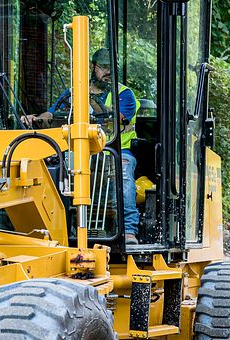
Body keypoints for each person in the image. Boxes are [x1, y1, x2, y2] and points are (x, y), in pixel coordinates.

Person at [23, 48, 141, 246]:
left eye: (111, 68)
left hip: (116, 150)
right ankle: (58, 225)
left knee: (124, 172)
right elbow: (53, 114)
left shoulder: (124, 94)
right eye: (103, 68)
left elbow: (117, 119)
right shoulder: (73, 92)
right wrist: (36, 119)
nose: (107, 72)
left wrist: (89, 103)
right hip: (81, 151)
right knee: (54, 166)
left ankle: (129, 229)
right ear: (93, 67)